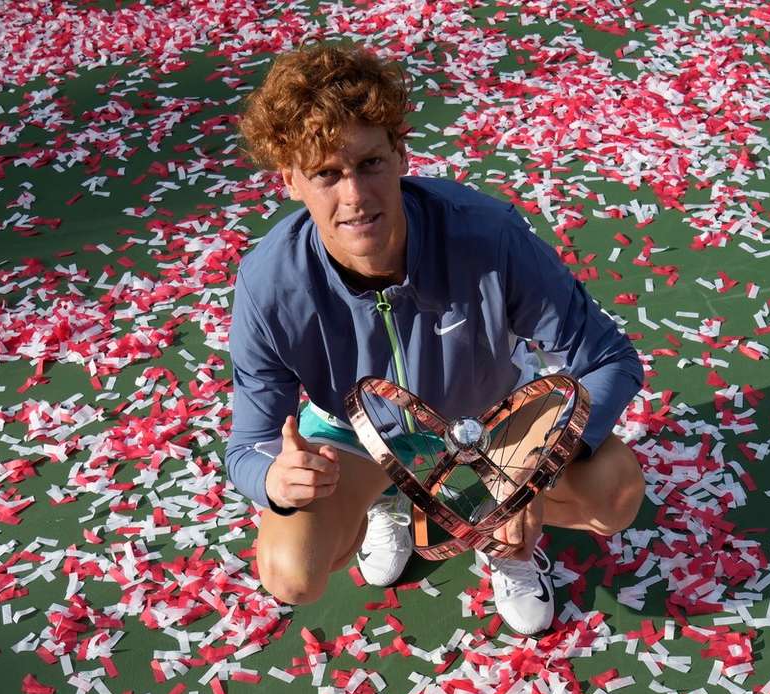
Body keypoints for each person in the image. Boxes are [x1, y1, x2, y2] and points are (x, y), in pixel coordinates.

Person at [226, 43, 645, 635]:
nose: (354, 197)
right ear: (291, 180)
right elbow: (247, 447)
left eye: (369, 163)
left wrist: (534, 475)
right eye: (326, 174)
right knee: (290, 567)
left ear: (400, 153)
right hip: (359, 437)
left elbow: (609, 359)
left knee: (615, 490)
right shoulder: (269, 283)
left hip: (496, 422)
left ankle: (502, 537)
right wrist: (275, 479)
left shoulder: (487, 233)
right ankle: (390, 500)